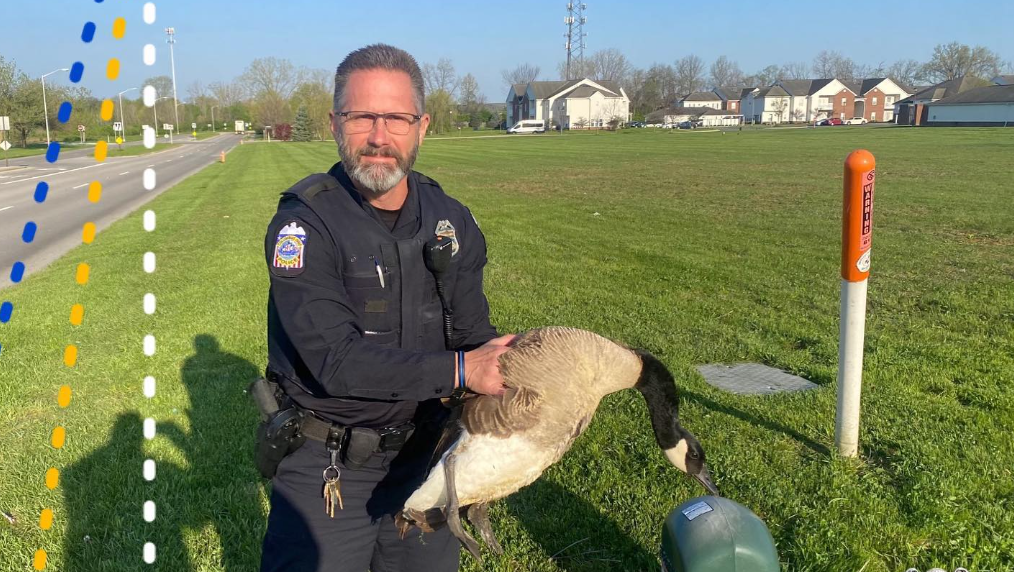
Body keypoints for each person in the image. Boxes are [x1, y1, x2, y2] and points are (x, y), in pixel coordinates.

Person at [259, 43, 513, 572]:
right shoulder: (304, 226)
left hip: (426, 458)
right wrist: (465, 369)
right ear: (334, 124)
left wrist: (515, 367)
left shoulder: (451, 220)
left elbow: (472, 331)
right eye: (361, 117)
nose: (379, 137)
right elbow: (337, 361)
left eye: (396, 118)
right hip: (328, 466)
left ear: (422, 125)